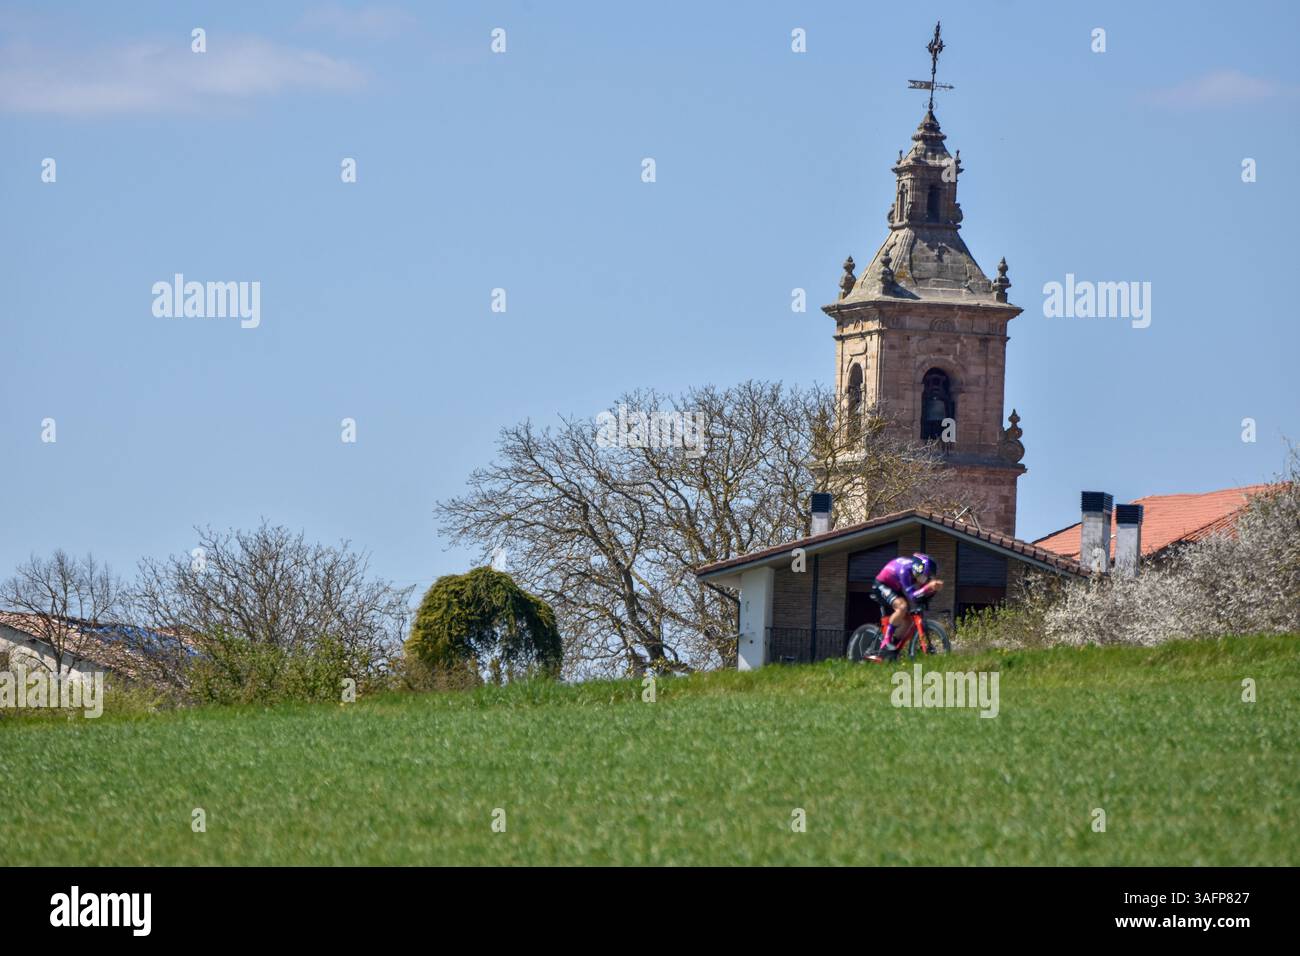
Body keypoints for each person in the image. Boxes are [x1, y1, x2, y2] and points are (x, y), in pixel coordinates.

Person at [865, 553, 943, 662]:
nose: (925, 579)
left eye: (927, 577)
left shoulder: (917, 573)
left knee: (909, 620)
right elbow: (913, 596)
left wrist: (932, 590)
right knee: (902, 607)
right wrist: (928, 588)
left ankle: (893, 647)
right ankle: (885, 643)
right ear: (918, 569)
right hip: (881, 585)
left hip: (895, 587)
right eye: (925, 576)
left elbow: (920, 596)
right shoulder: (905, 571)